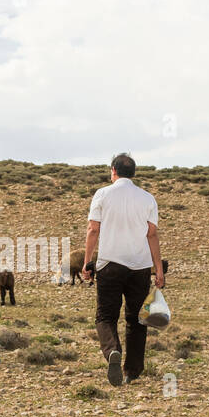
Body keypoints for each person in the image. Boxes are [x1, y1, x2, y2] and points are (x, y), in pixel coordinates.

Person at [82, 153, 164, 386]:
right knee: (137, 320)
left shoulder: (103, 194)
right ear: (134, 173)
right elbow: (152, 234)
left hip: (110, 263)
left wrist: (88, 262)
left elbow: (93, 230)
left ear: (113, 171)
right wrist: (158, 269)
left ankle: (112, 352)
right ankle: (132, 371)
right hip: (139, 266)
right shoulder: (148, 198)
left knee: (106, 316)